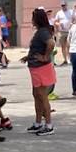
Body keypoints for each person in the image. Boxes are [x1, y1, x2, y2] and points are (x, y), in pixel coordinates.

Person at [25, 8, 57, 136]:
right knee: (37, 95)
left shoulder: (43, 32)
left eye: (33, 18)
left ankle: (48, 125)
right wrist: (28, 57)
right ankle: (38, 122)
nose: (32, 20)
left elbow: (51, 43)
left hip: (41, 68)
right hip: (36, 67)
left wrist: (44, 57)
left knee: (42, 95)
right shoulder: (41, 32)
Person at [52, 2, 72, 66]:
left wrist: (72, 24)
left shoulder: (71, 12)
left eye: (64, 5)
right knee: (63, 46)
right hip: (61, 31)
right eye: (62, 6)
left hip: (69, 31)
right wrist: (59, 24)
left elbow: (75, 19)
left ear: (66, 5)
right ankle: (65, 59)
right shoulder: (59, 13)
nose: (63, 7)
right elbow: (55, 22)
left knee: (69, 45)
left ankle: (69, 59)